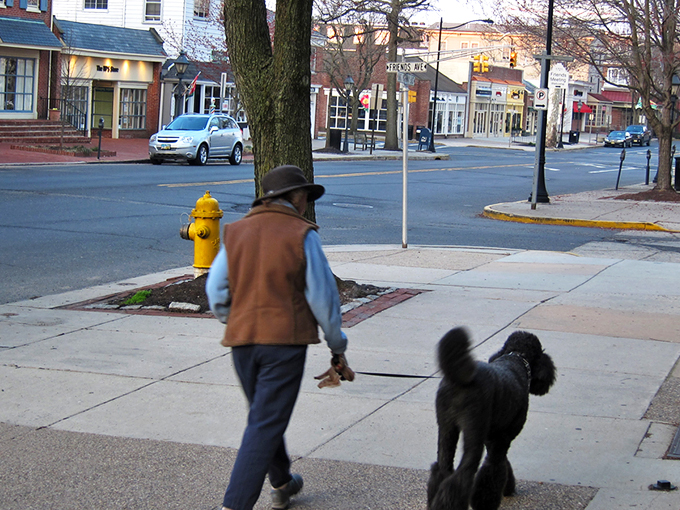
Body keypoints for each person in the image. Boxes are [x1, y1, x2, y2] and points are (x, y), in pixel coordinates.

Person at [206, 165, 352, 510]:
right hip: (284, 346)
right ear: (296, 198)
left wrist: (236, 319)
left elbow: (215, 290)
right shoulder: (302, 234)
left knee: (263, 416)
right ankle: (234, 505)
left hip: (241, 344)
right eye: (304, 196)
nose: (305, 204)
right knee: (265, 420)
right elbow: (323, 298)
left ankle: (283, 482)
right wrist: (337, 346)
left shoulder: (237, 231)